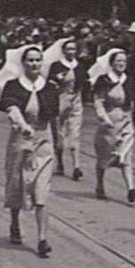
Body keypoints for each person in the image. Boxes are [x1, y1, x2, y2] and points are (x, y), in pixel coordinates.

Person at [0, 46, 60, 258]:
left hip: (44, 143)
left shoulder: (50, 88)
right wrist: (22, 124)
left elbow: (53, 118)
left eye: (37, 60)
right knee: (18, 183)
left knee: (41, 191)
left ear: (42, 63)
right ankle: (14, 223)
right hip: (21, 141)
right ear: (23, 63)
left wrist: (57, 143)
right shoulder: (13, 86)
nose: (34, 64)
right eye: (30, 60)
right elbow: (11, 109)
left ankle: (42, 239)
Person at [89, 48, 135, 203]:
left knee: (126, 156)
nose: (121, 64)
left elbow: (131, 101)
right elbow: (98, 101)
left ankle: (131, 189)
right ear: (112, 63)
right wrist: (103, 117)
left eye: (124, 61)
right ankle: (100, 185)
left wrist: (131, 116)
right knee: (104, 158)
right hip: (109, 123)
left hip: (125, 121)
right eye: (118, 61)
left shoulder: (128, 80)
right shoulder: (104, 80)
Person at [45, 38, 86, 181]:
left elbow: (84, 82)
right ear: (63, 51)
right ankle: (60, 163)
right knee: (59, 132)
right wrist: (57, 78)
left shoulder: (80, 66)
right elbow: (49, 83)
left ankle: (76, 166)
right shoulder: (56, 66)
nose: (71, 52)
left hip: (76, 101)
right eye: (68, 49)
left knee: (75, 132)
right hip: (60, 100)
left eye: (73, 49)